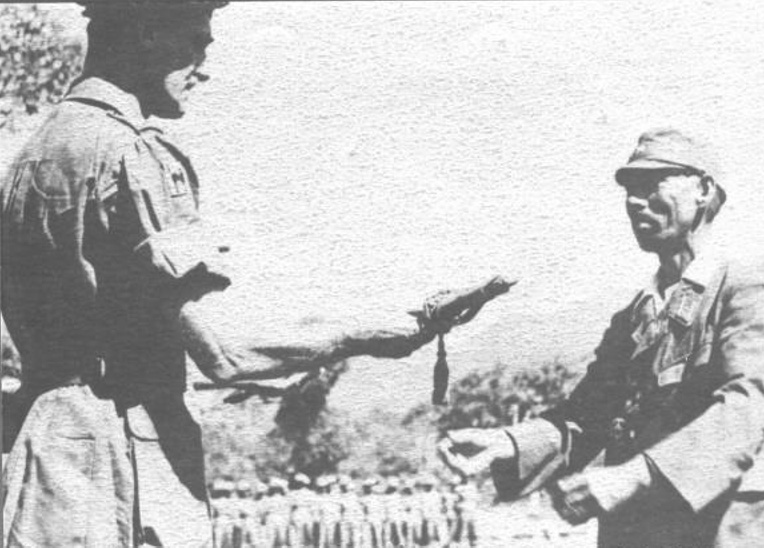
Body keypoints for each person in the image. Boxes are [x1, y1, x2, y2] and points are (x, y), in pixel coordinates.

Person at [0, 2, 488, 546]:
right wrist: (379, 333)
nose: (203, 68)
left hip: (41, 463)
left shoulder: (30, 157)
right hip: (120, 468)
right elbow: (224, 352)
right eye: (196, 43)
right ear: (146, 33)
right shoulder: (134, 153)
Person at [439, 129, 764, 547]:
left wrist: (636, 475)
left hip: (724, 531)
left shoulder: (745, 291)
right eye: (629, 190)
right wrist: (506, 442)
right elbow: (585, 417)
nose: (633, 201)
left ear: (702, 189)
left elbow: (745, 409)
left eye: (651, 184)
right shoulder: (633, 318)